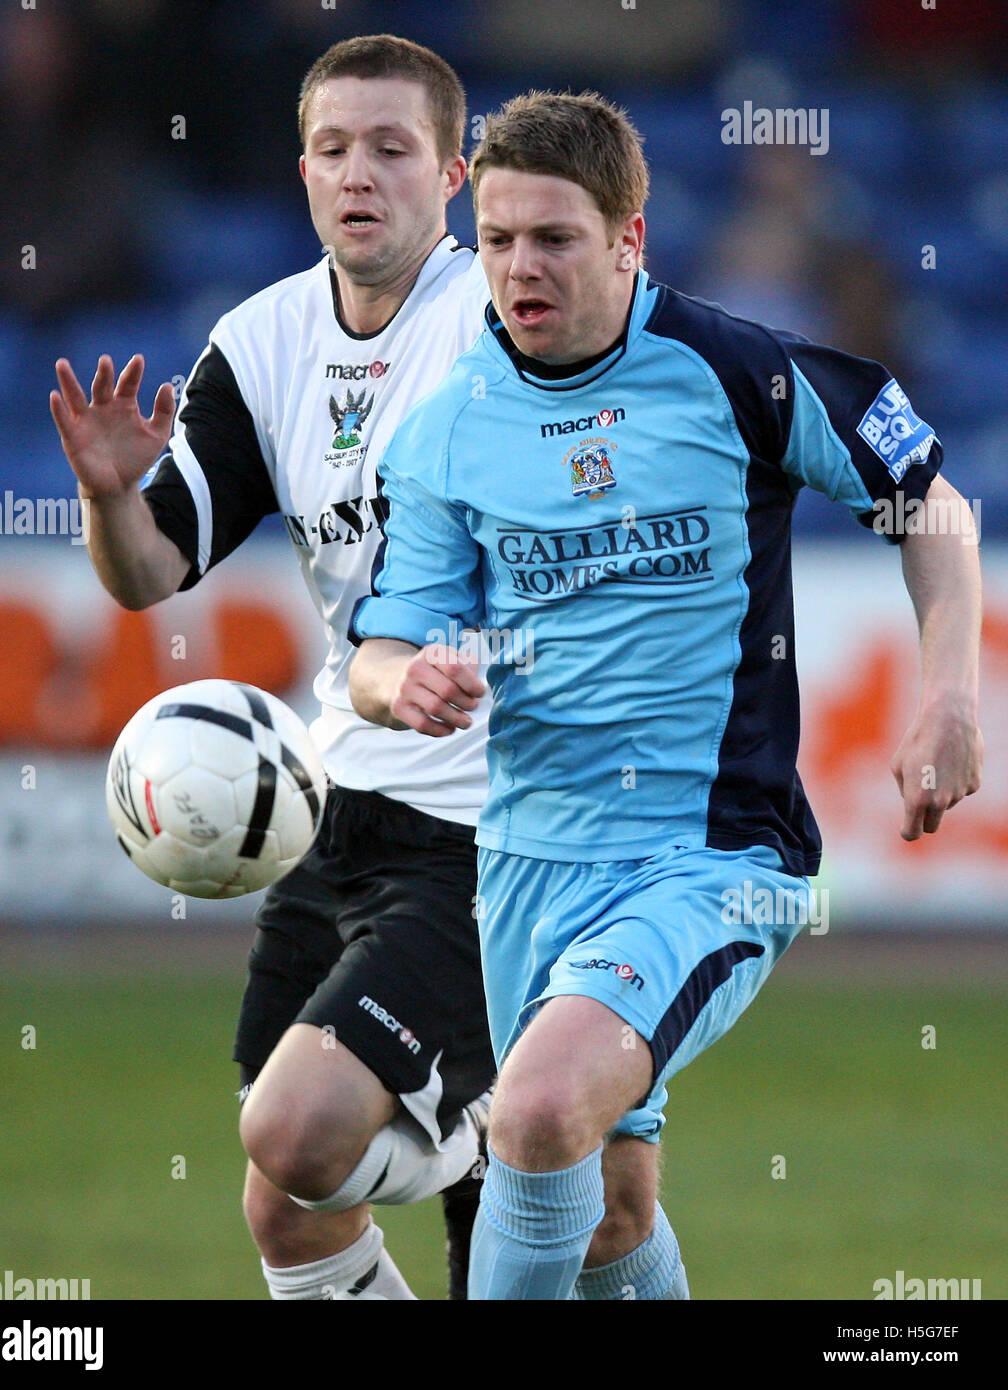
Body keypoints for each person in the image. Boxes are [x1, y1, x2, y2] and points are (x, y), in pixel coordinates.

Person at [348, 91, 983, 1300]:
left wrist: (948, 694)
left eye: (554, 240)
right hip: (528, 861)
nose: (519, 268)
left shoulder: (740, 373)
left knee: (533, 1115)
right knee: (608, 1214)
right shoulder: (443, 434)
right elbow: (381, 650)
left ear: (629, 240)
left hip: (711, 852)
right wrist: (403, 681)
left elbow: (930, 500)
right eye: (496, 240)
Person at [50, 34, 497, 1302]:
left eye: (394, 149)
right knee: (285, 1200)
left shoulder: (500, 324)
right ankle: (496, 1137)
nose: (361, 174)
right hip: (335, 807)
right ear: (303, 170)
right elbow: (150, 570)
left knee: (302, 1136)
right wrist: (105, 496)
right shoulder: (261, 342)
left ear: (453, 174)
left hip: (488, 824)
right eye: (335, 149)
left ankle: (502, 1125)